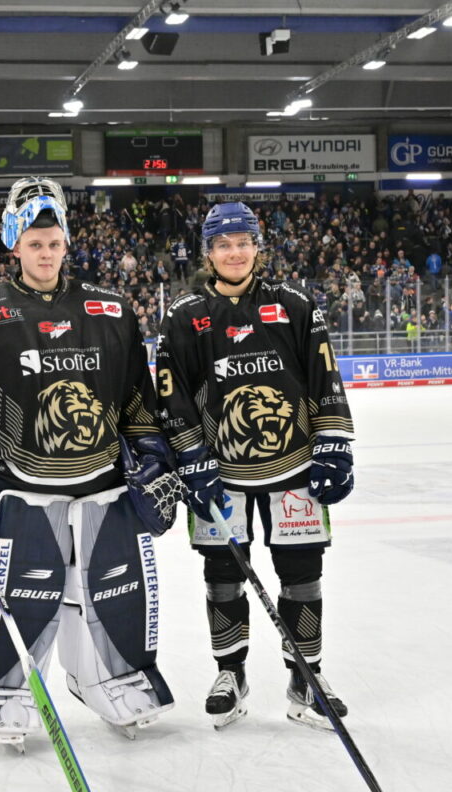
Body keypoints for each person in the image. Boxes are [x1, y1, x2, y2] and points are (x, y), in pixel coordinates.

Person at [0, 176, 179, 749]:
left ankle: (114, 674)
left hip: (104, 479)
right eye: (34, 243)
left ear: (67, 244)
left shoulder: (109, 309)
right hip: (21, 483)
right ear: (14, 243)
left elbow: (137, 395)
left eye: (54, 242)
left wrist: (155, 454)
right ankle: (4, 685)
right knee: (28, 588)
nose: (45, 252)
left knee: (114, 584)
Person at [155, 202, 356, 731]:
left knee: (303, 576)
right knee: (223, 577)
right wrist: (190, 457)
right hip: (222, 474)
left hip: (293, 467)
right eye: (224, 244)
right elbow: (171, 394)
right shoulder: (184, 314)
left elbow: (324, 377)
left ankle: (305, 678)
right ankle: (231, 673)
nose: (235, 252)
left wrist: (334, 443)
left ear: (257, 247)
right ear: (208, 252)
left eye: (244, 241)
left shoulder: (292, 304)